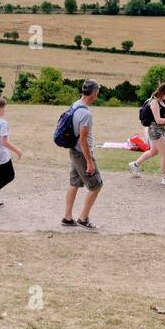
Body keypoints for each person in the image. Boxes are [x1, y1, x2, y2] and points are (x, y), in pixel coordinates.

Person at [62, 79, 103, 231]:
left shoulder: (74, 105)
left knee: (74, 183)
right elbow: (83, 140)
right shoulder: (85, 113)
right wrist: (90, 162)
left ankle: (67, 217)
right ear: (94, 93)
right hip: (81, 153)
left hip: (74, 150)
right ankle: (83, 218)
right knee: (96, 185)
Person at [130, 83, 165, 187]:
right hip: (155, 131)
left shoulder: (161, 101)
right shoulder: (154, 102)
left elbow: (162, 114)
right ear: (163, 92)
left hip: (159, 130)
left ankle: (135, 165)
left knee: (153, 152)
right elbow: (158, 120)